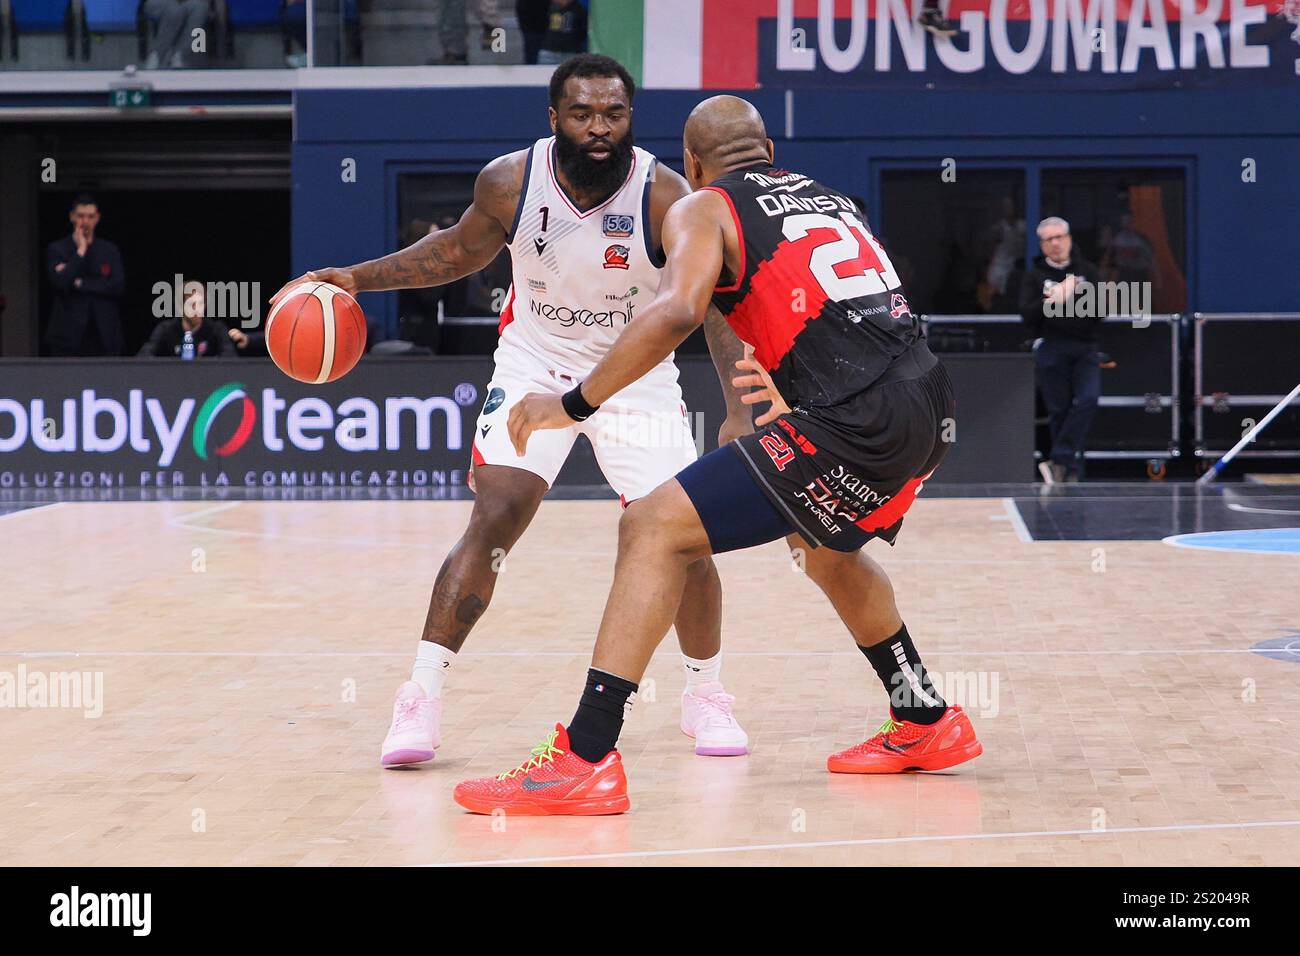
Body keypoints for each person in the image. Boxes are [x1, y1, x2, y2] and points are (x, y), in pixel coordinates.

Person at [454, 95, 983, 816]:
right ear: (768, 149)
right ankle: (925, 718)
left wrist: (573, 402)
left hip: (856, 419)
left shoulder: (702, 207)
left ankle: (584, 757)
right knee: (825, 548)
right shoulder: (828, 198)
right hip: (927, 400)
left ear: (693, 161)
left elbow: (674, 312)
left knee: (651, 526)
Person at [271, 55, 756, 769]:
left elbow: (709, 303)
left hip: (633, 373)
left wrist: (738, 404)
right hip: (535, 362)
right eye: (584, 113)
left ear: (631, 119)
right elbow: (454, 253)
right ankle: (421, 695)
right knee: (495, 516)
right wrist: (356, 278)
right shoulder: (509, 181)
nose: (599, 128)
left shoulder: (665, 193)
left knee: (685, 537)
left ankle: (705, 692)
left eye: (613, 114)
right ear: (554, 117)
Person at [1017, 216, 1104, 484]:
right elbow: (1027, 314)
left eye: (1060, 237)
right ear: (1042, 245)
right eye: (1049, 239)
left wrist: (1076, 295)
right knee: (1059, 409)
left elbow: (1101, 310)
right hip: (1052, 347)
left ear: (1069, 239)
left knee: (1088, 399)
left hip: (1085, 347)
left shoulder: (1088, 271)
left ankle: (1060, 458)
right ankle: (1067, 470)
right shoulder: (1034, 275)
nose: (1055, 243)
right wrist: (1052, 298)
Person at [45, 195, 125, 357]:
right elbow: (60, 283)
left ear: (97, 218)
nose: (85, 222)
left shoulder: (109, 250)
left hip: (104, 335)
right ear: (72, 217)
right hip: (67, 337)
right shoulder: (58, 249)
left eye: (90, 217)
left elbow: (117, 286)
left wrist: (80, 283)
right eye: (81, 216)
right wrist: (80, 252)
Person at [138, 282, 239, 358]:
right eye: (192, 304)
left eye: (200, 304)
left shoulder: (216, 329)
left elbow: (230, 358)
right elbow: (145, 356)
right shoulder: (166, 329)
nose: (197, 309)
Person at [143, 0, 209, 69]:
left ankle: (179, 56)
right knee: (174, 10)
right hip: (158, 3)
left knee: (200, 7)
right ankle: (156, 55)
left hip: (185, 2)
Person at [537, 0, 586, 65]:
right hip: (549, 52)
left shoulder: (579, 10)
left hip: (571, 53)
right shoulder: (548, 7)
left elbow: (583, 31)